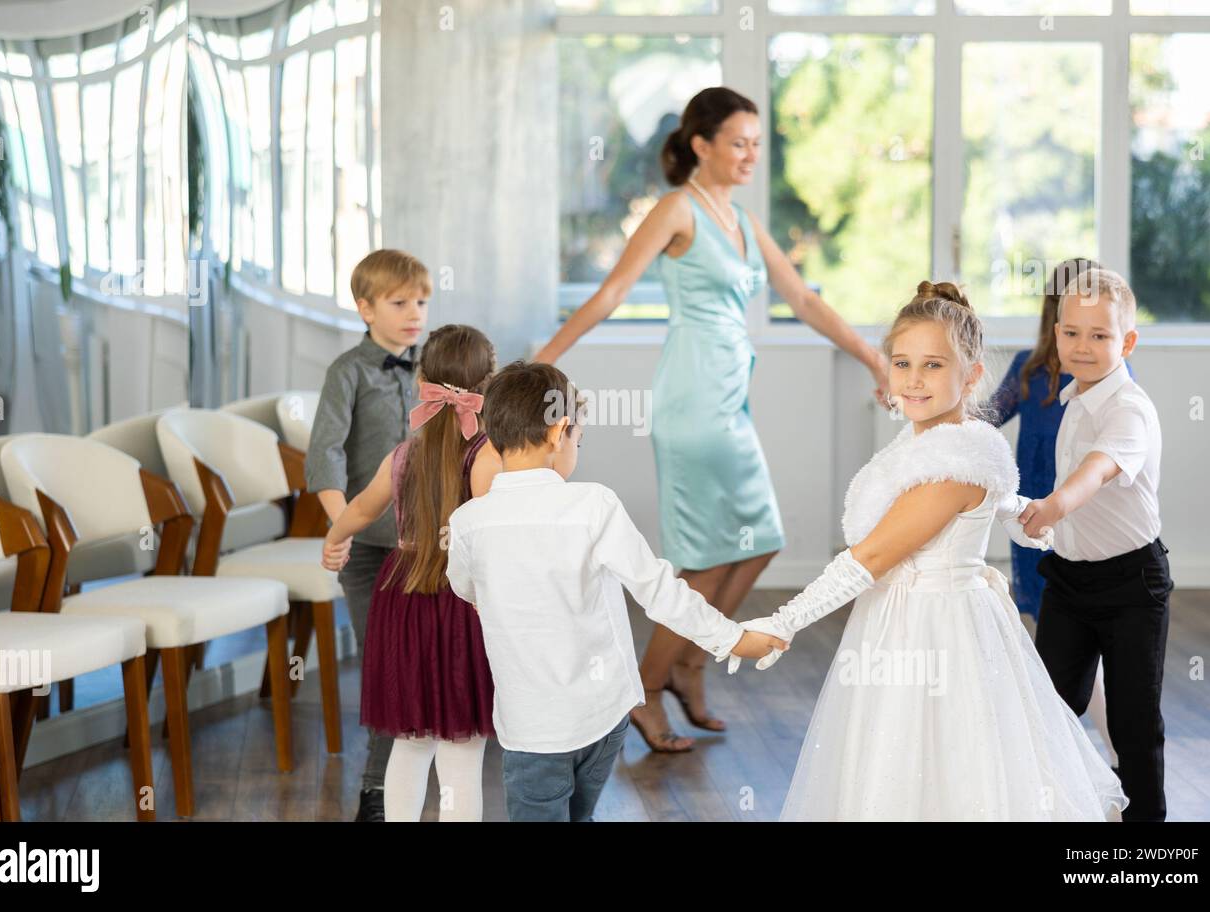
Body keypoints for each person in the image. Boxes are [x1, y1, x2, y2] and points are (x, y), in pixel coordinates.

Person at [535, 86, 888, 752]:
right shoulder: (678, 209)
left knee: (758, 539)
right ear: (701, 144)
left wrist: (872, 355)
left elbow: (804, 300)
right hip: (692, 399)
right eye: (738, 142)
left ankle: (689, 663)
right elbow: (611, 292)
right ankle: (645, 689)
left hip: (731, 398)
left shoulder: (743, 220)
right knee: (700, 564)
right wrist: (538, 364)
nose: (751, 153)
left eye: (758, 143)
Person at [739, 281, 1127, 821]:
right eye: (901, 363)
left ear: (971, 376)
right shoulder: (937, 440)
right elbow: (995, 495)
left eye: (933, 366)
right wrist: (1018, 512)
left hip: (933, 626)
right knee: (896, 763)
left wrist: (782, 624)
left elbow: (871, 558)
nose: (913, 380)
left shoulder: (952, 463)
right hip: (902, 619)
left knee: (937, 761)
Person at [444, 360, 788, 821]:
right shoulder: (594, 505)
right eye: (578, 441)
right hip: (603, 716)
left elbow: (466, 589)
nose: (576, 450)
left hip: (531, 728)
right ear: (559, 431)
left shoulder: (468, 524)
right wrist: (733, 639)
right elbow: (659, 589)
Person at [321, 324, 502, 822]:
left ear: (424, 379)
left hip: (402, 599)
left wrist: (335, 539)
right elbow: (492, 539)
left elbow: (359, 509)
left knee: (411, 740)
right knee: (463, 749)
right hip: (461, 608)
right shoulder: (489, 457)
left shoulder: (403, 455)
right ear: (488, 386)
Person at [1020, 267, 1171, 822]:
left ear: (1127, 342)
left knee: (1133, 724)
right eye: (1072, 333)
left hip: (1132, 584)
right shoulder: (1071, 395)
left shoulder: (1129, 408)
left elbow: (1098, 469)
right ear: (1055, 335)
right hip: (1069, 579)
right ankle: (1060, 811)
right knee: (1049, 707)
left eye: (1100, 336)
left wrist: (1053, 506)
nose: (1083, 347)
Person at [306, 249, 428, 821]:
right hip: (369, 549)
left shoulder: (436, 370)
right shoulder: (347, 372)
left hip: (426, 548)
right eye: (400, 302)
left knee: (420, 661)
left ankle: (410, 783)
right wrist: (341, 524)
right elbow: (324, 453)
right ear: (365, 308)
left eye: (422, 302)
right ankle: (376, 793)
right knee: (386, 666)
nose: (415, 313)